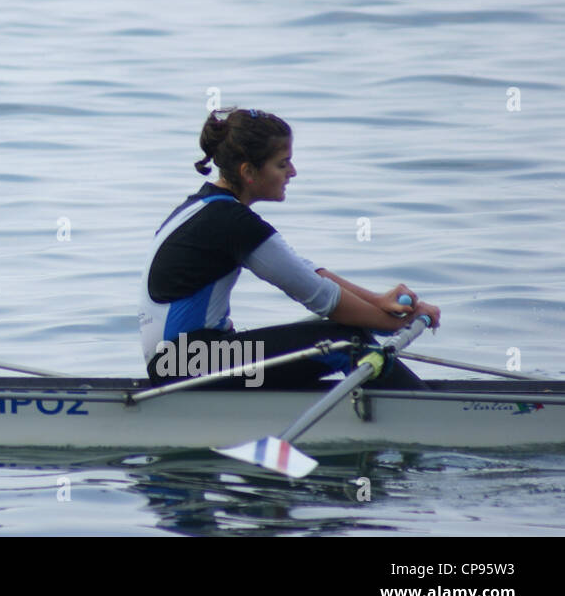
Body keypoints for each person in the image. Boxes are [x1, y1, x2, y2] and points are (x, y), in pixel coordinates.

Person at [137, 108, 440, 389]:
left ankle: (408, 407)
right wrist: (395, 322)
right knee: (348, 344)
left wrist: (377, 302)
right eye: (282, 164)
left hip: (182, 360)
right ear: (248, 172)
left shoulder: (206, 208)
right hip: (183, 363)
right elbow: (321, 297)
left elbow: (305, 271)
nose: (292, 172)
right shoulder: (229, 221)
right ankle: (427, 415)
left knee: (348, 332)